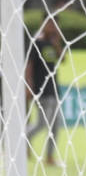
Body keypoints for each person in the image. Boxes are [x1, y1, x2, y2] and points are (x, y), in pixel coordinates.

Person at [25, 21, 64, 167]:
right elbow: (29, 65)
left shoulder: (53, 43)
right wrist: (29, 86)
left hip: (53, 89)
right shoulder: (37, 43)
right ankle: (22, 139)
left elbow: (63, 59)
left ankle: (49, 157)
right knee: (41, 124)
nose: (53, 27)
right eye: (51, 24)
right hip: (41, 90)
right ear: (44, 25)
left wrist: (57, 43)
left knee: (55, 125)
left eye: (55, 25)